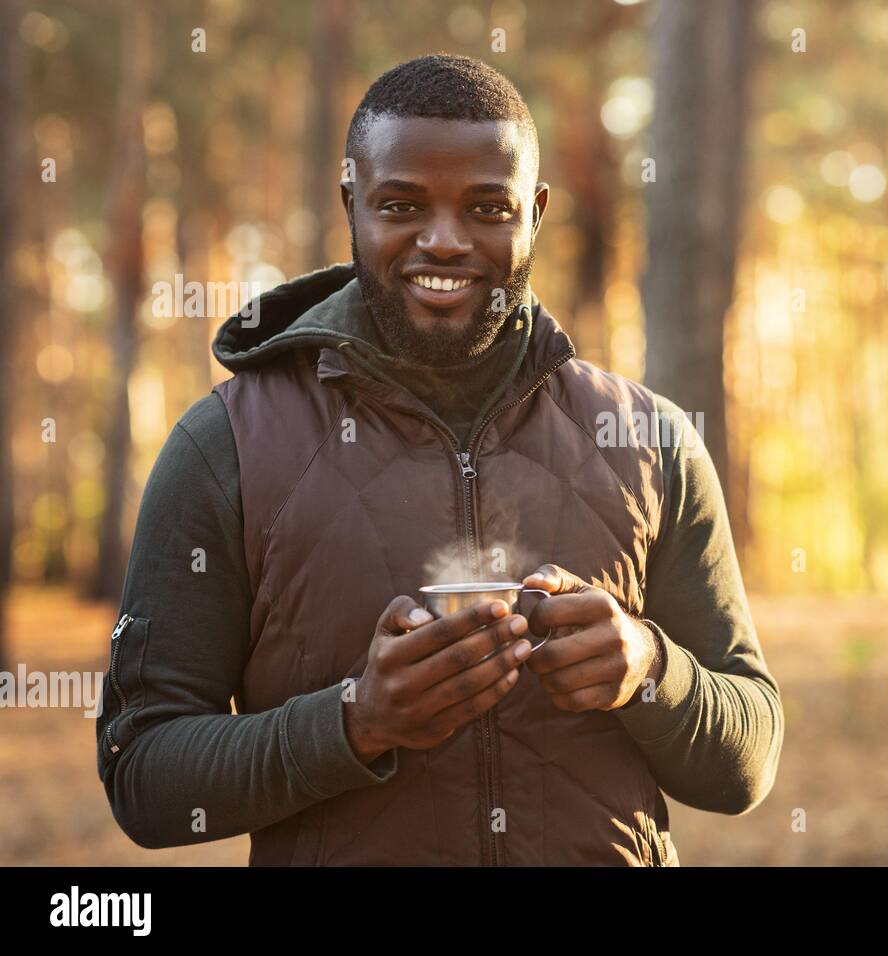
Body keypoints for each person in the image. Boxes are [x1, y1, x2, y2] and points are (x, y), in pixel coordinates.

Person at [96, 53, 782, 866]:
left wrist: (650, 668)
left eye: (488, 207)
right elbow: (143, 776)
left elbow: (749, 763)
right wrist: (355, 721)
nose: (445, 241)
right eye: (402, 205)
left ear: (536, 210)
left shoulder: (649, 440)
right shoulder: (226, 445)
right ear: (353, 206)